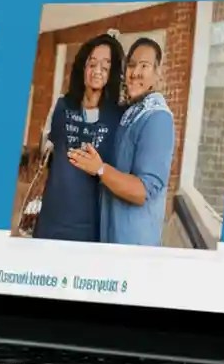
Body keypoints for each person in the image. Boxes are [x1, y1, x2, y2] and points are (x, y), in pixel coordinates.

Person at [68, 37, 175, 246]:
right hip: (111, 237)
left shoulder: (157, 118)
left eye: (144, 66)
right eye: (131, 65)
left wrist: (99, 169)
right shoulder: (130, 113)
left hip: (134, 244)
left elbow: (142, 191)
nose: (135, 73)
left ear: (157, 74)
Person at [32, 34, 124, 242]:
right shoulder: (61, 106)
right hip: (50, 220)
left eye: (106, 65)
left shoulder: (117, 117)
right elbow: (45, 153)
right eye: (92, 63)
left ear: (113, 72)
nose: (97, 70)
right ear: (83, 67)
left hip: (88, 227)